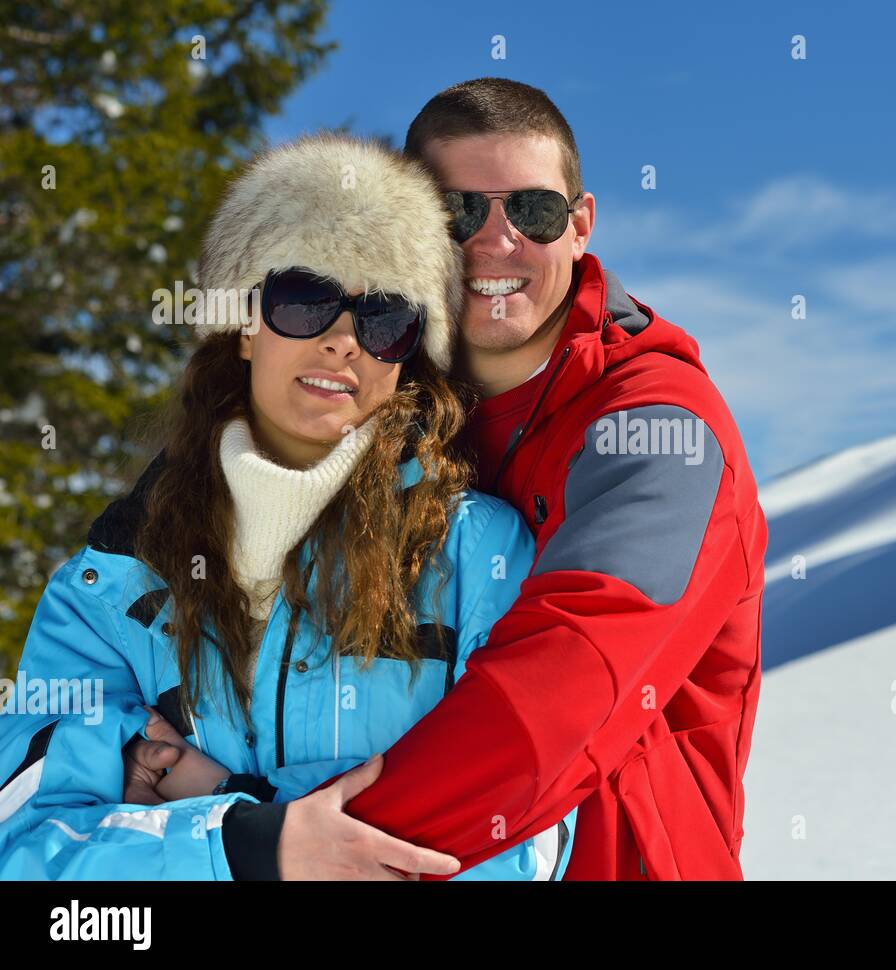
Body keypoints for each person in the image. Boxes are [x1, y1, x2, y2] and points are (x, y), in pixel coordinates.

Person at [0, 132, 578, 881]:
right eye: (304, 300)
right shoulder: (107, 588)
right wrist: (250, 845)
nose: (342, 342)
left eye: (383, 320)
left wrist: (218, 802)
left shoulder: (482, 555)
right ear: (245, 324)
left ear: (407, 356)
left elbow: (521, 846)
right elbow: (30, 858)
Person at [301, 78, 768, 880]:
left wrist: (299, 851)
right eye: (458, 213)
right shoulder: (363, 390)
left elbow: (562, 696)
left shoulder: (662, 429)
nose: (497, 241)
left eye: (534, 212)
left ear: (581, 227)